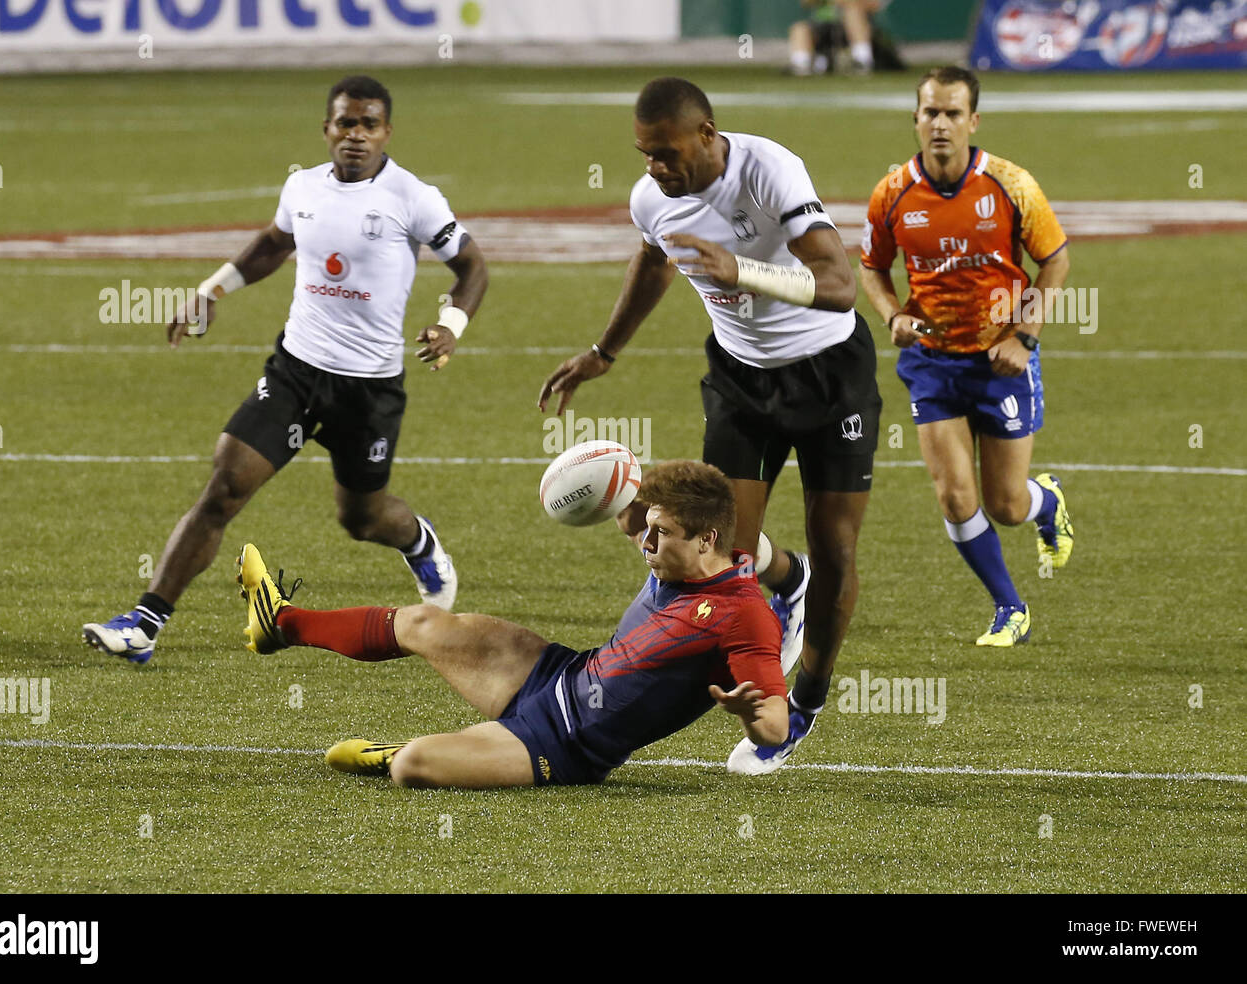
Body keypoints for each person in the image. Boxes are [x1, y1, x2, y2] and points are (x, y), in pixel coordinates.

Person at [538, 77, 881, 775]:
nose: (656, 169)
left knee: (838, 551)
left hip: (828, 375)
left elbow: (839, 283)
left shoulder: (769, 171)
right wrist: (603, 353)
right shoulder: (650, 199)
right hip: (739, 381)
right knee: (723, 550)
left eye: (666, 153)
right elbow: (654, 259)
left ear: (706, 135)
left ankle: (805, 702)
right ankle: (784, 589)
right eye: (643, 156)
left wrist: (746, 270)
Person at [83, 75, 487, 664]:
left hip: (369, 389)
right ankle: (144, 623)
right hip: (295, 371)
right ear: (326, 129)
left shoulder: (413, 198)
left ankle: (419, 541)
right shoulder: (302, 186)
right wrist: (212, 289)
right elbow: (275, 244)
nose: (356, 135)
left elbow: (473, 268)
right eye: (345, 122)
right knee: (224, 487)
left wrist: (452, 325)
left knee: (362, 517)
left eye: (368, 124)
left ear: (387, 133)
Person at [237, 460, 788, 789]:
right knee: (425, 623)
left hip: (569, 743)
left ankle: (410, 750)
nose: (644, 542)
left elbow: (777, 730)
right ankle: (281, 622)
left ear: (707, 541)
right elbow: (629, 510)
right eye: (647, 527)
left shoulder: (744, 616)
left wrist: (750, 713)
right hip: (558, 675)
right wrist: (610, 472)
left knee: (414, 767)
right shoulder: (673, 543)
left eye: (659, 534)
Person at [859, 66, 1074, 647]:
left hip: (1000, 361)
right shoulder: (892, 194)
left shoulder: (1010, 184)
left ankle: (1045, 500)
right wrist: (892, 316)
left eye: (953, 113)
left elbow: (1055, 259)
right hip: (931, 363)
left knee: (1006, 504)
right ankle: (1010, 608)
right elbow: (872, 266)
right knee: (955, 497)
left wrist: (1024, 336)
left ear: (973, 121)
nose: (941, 124)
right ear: (915, 119)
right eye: (931, 112)